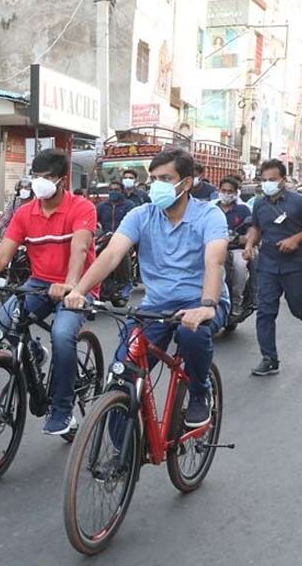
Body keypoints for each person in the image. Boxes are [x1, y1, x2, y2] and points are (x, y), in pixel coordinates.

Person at [64, 149, 229, 428]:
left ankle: (200, 392)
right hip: (155, 307)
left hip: (202, 303)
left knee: (191, 337)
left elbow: (215, 261)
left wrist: (207, 306)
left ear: (186, 183)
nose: (157, 185)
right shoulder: (141, 215)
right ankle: (118, 458)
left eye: (166, 178)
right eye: (153, 179)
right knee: (123, 376)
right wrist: (79, 290)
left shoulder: (209, 215)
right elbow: (112, 254)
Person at [0, 148, 97, 436]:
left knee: (62, 334)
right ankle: (34, 352)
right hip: (39, 283)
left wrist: (72, 285)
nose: (39, 183)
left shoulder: (81, 208)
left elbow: (80, 249)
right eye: (35, 177)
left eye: (46, 177)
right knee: (6, 320)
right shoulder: (25, 213)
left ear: (62, 179)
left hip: (78, 286)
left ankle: (62, 409)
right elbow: (3, 256)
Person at [244, 159, 302, 376]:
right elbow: (255, 227)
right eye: (264, 180)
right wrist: (249, 244)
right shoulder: (259, 204)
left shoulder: (299, 202)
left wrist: (295, 239)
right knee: (265, 311)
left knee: (298, 306)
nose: (268, 183)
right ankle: (269, 359)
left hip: (295, 265)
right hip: (267, 265)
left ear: (283, 180)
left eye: (272, 179)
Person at [216, 176, 253, 316]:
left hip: (237, 250)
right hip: (216, 250)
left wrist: (241, 239)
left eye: (230, 191)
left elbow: (250, 231)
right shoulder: (211, 209)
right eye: (223, 190)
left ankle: (237, 302)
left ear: (236, 192)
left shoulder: (243, 210)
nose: (226, 194)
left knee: (240, 268)